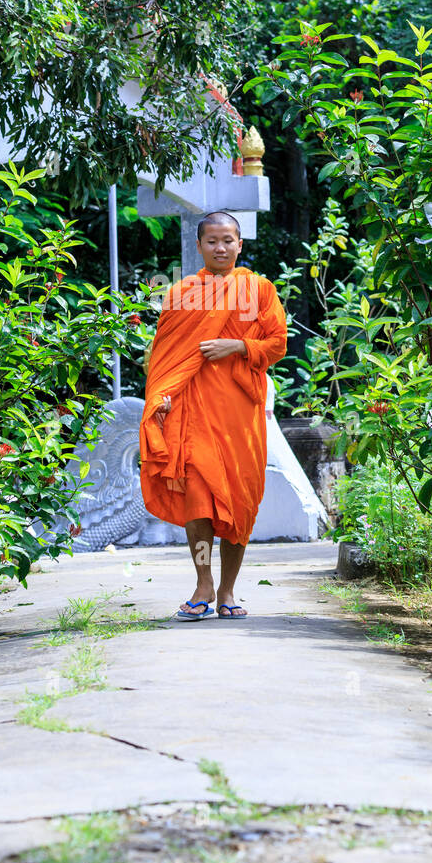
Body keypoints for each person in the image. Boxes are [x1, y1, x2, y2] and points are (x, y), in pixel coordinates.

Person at [139, 210, 287, 620]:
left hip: (240, 415)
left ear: (240, 244)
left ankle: (228, 590)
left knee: (239, 502)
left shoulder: (259, 289)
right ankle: (203, 582)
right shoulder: (181, 293)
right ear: (199, 246)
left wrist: (238, 347)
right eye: (212, 241)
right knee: (199, 503)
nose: (220, 248)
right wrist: (161, 398)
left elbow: (277, 344)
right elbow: (165, 358)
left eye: (228, 241)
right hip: (193, 412)